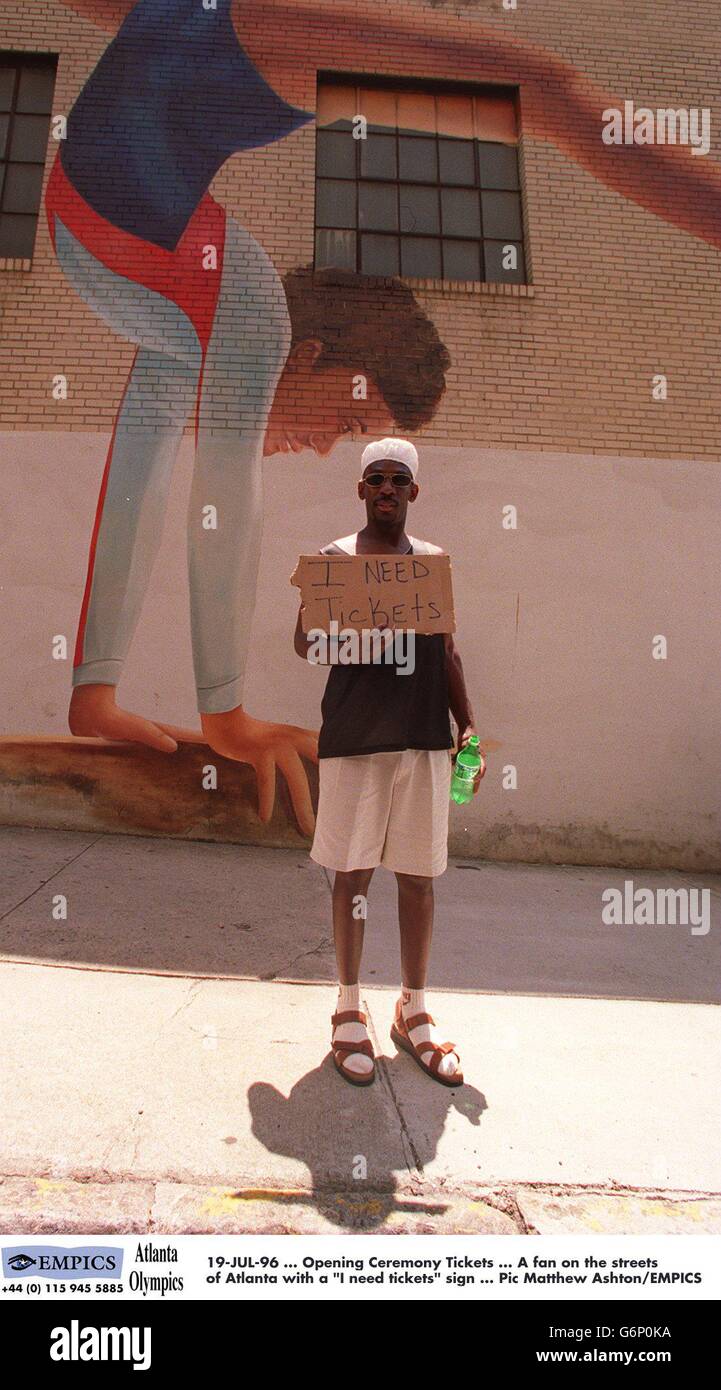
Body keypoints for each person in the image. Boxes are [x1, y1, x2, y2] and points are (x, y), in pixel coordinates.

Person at [49, 0, 450, 837]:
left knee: (152, 442)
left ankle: (96, 689)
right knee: (217, 470)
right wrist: (227, 717)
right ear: (307, 356)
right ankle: (211, 702)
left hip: (80, 222)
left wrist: (95, 688)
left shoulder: (187, 312)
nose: (325, 448)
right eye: (350, 415)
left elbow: (137, 475)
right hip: (112, 218)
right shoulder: (251, 313)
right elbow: (222, 505)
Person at [294, 438, 483, 1087]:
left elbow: (447, 651)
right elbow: (305, 641)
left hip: (423, 740)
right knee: (352, 875)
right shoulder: (336, 559)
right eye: (374, 478)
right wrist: (340, 618)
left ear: (412, 492)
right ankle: (348, 1005)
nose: (385, 488)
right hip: (354, 739)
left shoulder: (430, 564)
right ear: (360, 489)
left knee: (419, 876)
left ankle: (413, 1010)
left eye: (397, 479)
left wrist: (471, 730)